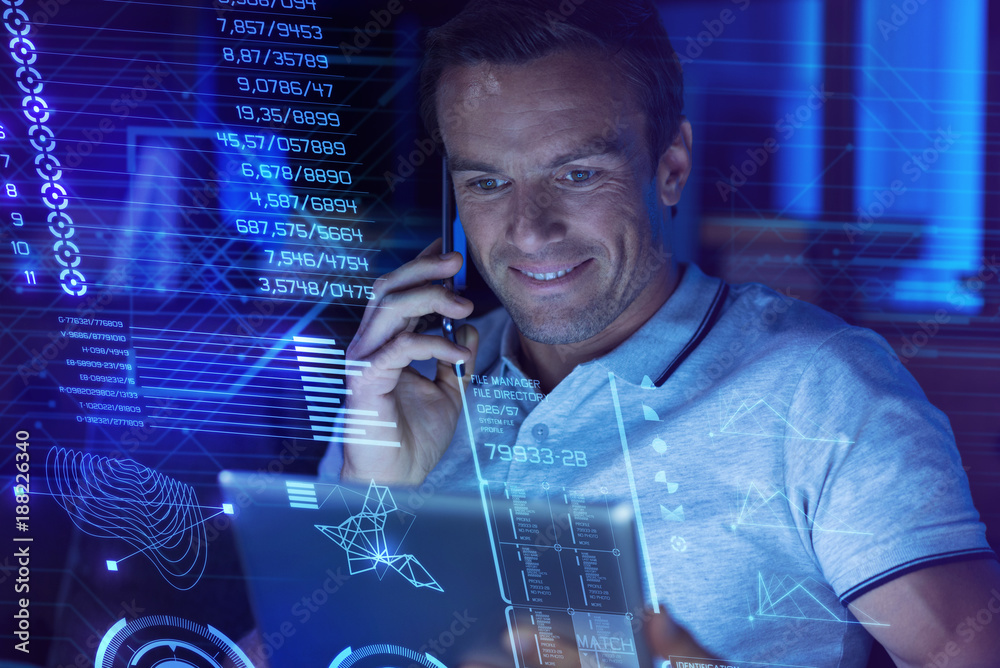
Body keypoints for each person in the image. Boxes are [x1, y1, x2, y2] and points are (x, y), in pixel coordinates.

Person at [319, 1, 1000, 665]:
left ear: (670, 167)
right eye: (488, 183)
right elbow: (318, 644)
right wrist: (374, 489)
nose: (529, 230)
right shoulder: (406, 389)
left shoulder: (818, 389)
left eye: (577, 173)